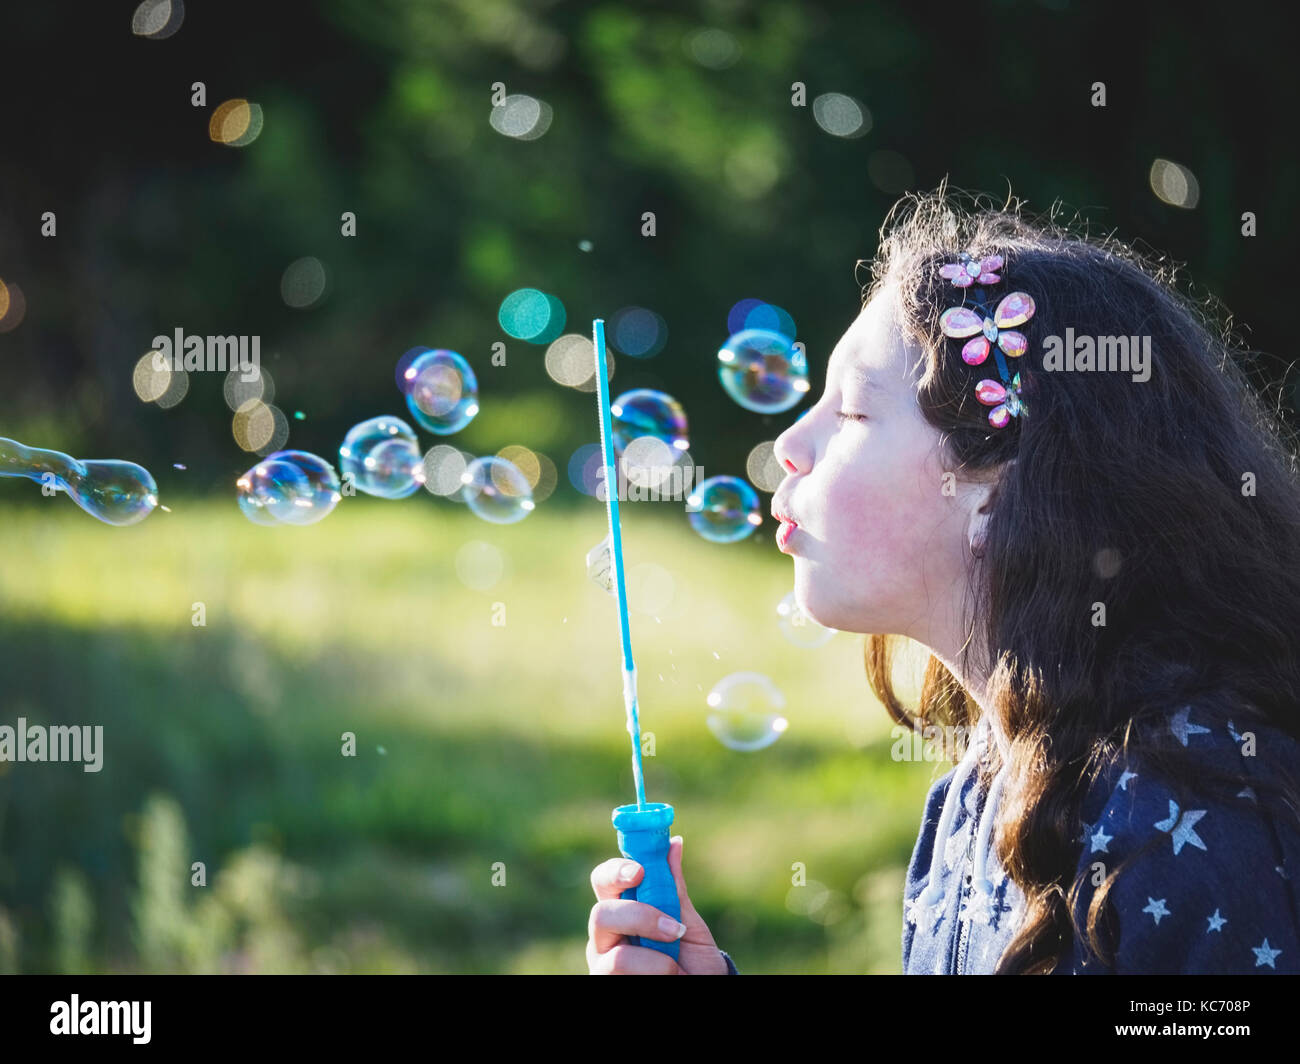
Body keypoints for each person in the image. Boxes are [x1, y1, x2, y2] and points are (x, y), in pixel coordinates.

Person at [586, 186, 1300, 974]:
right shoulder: (975, 795)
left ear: (994, 486)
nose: (789, 443)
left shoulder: (1195, 821)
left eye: (851, 412)